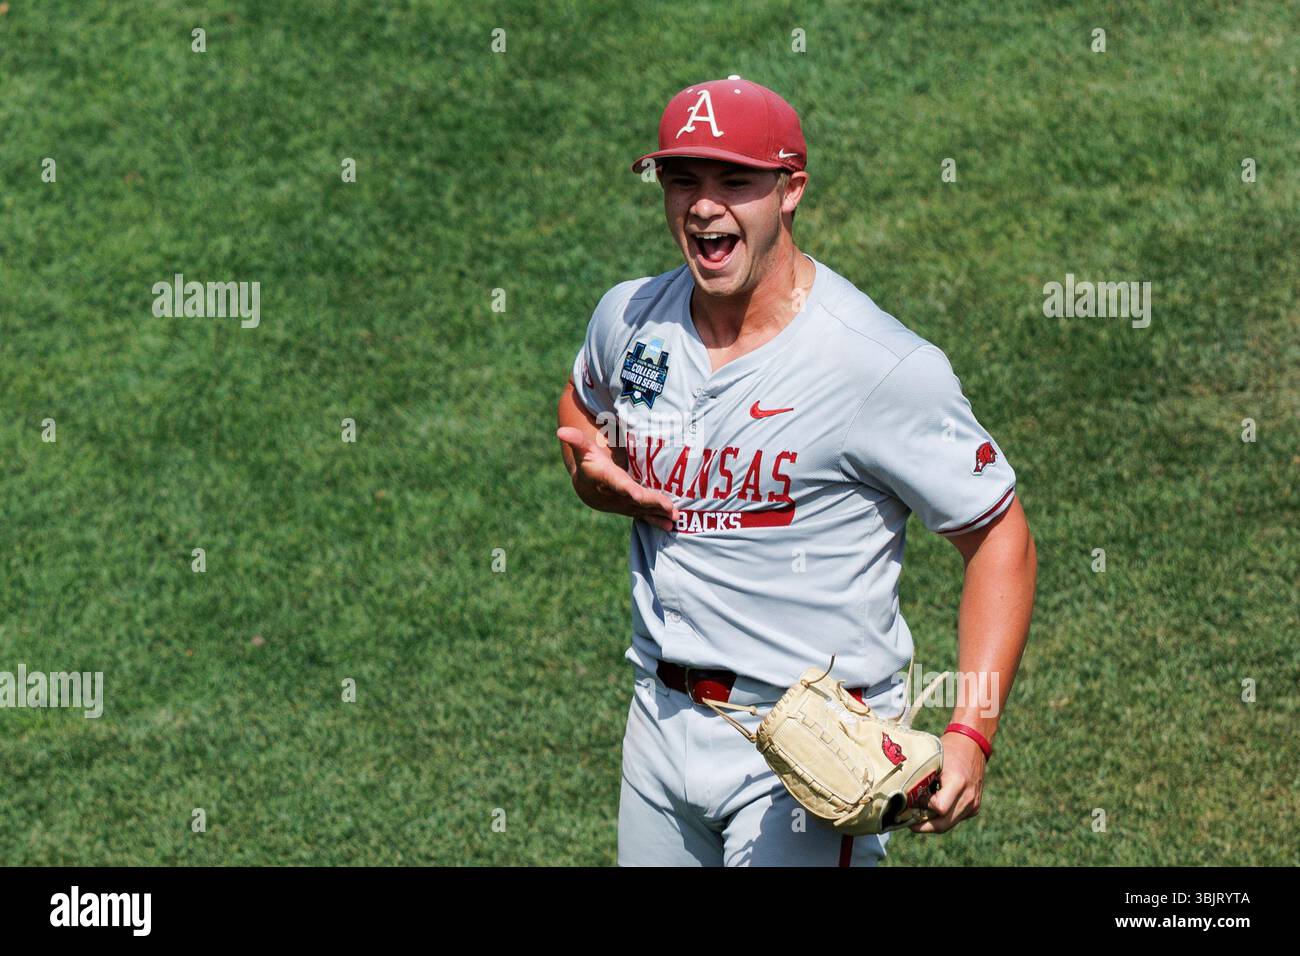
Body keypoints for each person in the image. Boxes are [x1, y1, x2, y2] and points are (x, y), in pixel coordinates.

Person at [556, 76, 1037, 866]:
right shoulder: (630, 319)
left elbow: (1000, 539)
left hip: (809, 754)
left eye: (735, 181)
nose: (703, 206)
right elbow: (579, 411)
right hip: (658, 723)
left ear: (791, 190)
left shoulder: (877, 366)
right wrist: (590, 476)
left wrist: (971, 730)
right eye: (683, 180)